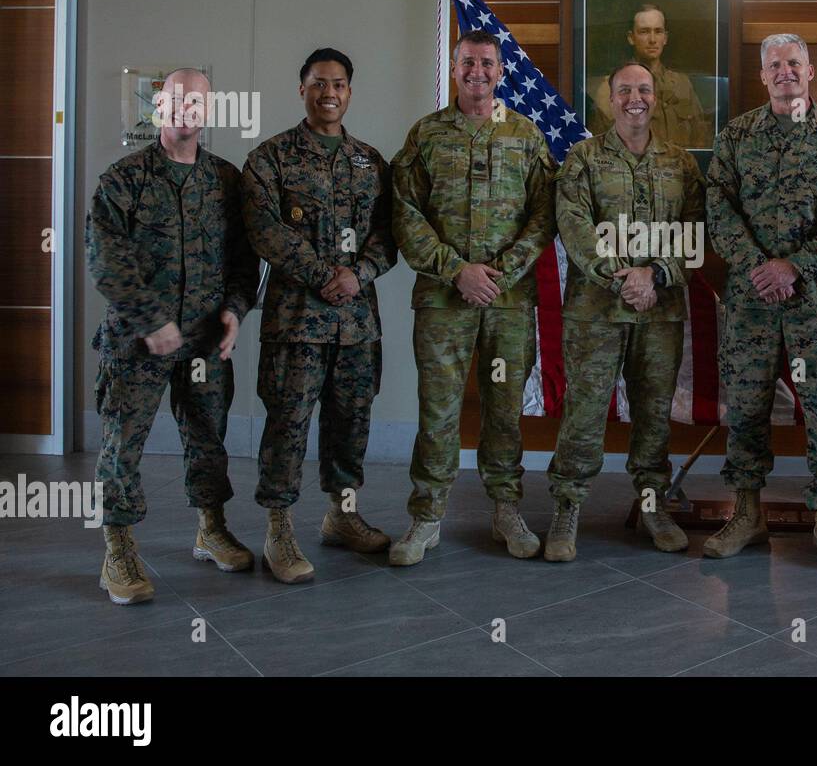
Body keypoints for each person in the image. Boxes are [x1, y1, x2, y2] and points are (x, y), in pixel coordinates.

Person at [87, 67, 259, 604]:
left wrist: (234, 311)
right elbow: (105, 259)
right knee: (123, 445)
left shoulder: (227, 181)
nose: (185, 107)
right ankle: (117, 549)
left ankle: (210, 528)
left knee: (208, 436)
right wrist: (151, 319)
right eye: (175, 98)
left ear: (209, 111)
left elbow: (243, 260)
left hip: (206, 342)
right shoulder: (124, 178)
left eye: (197, 100)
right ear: (157, 106)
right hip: (137, 344)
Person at [388, 30, 557, 565]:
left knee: (504, 409)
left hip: (507, 304)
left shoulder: (526, 135)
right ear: (454, 69)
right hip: (443, 301)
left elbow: (544, 215)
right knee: (437, 410)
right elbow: (403, 212)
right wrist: (457, 271)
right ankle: (426, 515)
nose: (477, 71)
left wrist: (500, 274)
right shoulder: (427, 135)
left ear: (500, 70)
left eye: (487, 62)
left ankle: (506, 509)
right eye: (468, 62)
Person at [703, 33, 817, 569]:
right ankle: (747, 514)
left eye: (794, 62)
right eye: (774, 64)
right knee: (747, 407)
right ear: (763, 75)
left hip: (815, 299)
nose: (784, 71)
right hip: (752, 300)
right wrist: (760, 267)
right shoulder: (735, 137)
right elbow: (718, 209)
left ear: (811, 71)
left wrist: (793, 265)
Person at [242, 48, 397, 583]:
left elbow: (388, 233)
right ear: (302, 89)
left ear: (350, 91)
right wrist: (322, 274)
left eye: (338, 84)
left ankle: (342, 516)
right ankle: (279, 528)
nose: (328, 92)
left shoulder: (371, 161)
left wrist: (359, 273)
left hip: (357, 325)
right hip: (296, 325)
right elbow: (264, 230)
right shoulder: (271, 159)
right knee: (287, 425)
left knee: (351, 426)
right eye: (317, 83)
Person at [544, 61, 706, 561]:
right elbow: (572, 226)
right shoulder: (582, 160)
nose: (635, 97)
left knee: (654, 413)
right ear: (608, 99)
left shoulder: (681, 164)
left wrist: (653, 275)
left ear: (656, 97)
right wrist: (622, 276)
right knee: (586, 412)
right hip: (596, 311)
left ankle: (653, 504)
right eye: (624, 90)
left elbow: (697, 234)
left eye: (643, 89)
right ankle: (568, 506)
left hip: (659, 311)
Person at [588, 4, 712, 149]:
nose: (652, 39)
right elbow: (600, 146)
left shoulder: (682, 84)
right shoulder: (610, 87)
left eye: (658, 31)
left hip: (678, 168)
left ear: (665, 38)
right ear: (631, 37)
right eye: (644, 31)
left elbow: (701, 138)